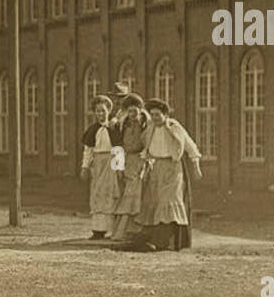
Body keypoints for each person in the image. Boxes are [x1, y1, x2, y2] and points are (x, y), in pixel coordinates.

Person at [118, 98, 201, 252]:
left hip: (172, 168)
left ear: (165, 114)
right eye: (153, 114)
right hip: (155, 168)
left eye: (158, 115)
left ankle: (165, 241)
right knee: (153, 202)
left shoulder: (175, 127)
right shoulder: (150, 129)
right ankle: (153, 239)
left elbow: (190, 145)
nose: (155, 118)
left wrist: (196, 165)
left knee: (168, 201)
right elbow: (144, 147)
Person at [80, 95, 120, 239]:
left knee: (110, 194)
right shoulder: (93, 130)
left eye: (103, 111)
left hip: (111, 164)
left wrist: (118, 167)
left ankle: (111, 229)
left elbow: (118, 149)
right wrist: (85, 167)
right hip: (97, 164)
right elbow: (88, 150)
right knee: (97, 194)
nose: (100, 114)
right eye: (98, 111)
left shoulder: (114, 128)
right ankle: (98, 230)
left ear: (109, 111)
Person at [109, 93, 148, 241]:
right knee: (123, 194)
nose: (132, 115)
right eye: (129, 111)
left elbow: (148, 145)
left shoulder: (146, 124)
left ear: (140, 109)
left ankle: (129, 231)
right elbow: (117, 145)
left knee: (134, 195)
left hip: (139, 162)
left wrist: (145, 161)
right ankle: (120, 230)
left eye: (135, 111)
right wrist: (118, 166)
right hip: (125, 161)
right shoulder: (121, 123)